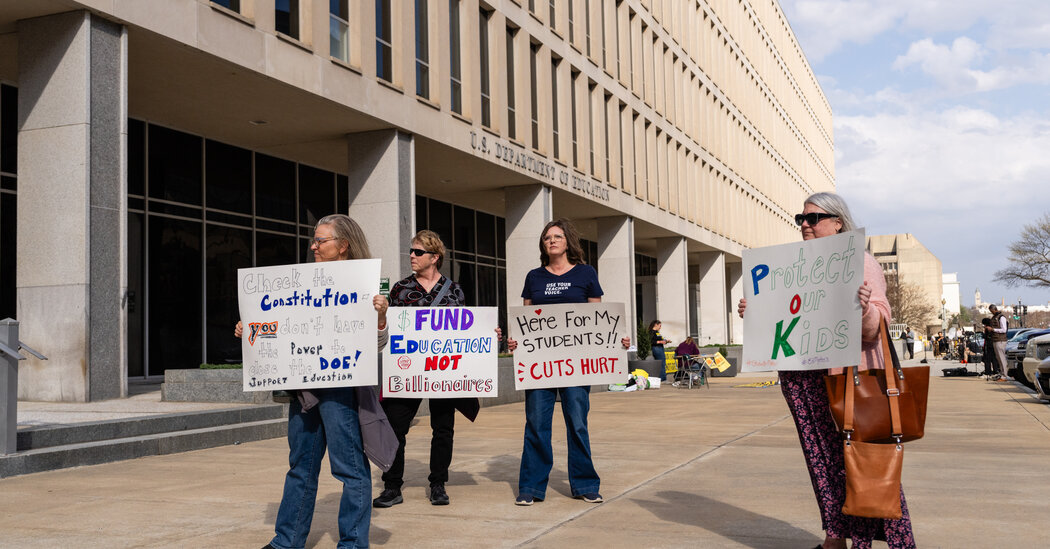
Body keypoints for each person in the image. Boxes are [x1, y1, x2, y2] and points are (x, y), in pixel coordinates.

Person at [738, 192, 916, 549]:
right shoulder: (791, 267)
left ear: (838, 222)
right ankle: (835, 536)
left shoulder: (860, 262)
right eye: (800, 218)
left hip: (846, 378)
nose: (805, 225)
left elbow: (877, 322)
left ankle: (891, 541)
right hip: (800, 377)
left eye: (813, 218)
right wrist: (755, 310)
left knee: (861, 458)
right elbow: (785, 317)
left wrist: (865, 309)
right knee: (820, 458)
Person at [236, 214, 390, 549]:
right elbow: (279, 329)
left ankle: (352, 543)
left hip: (341, 388)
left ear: (343, 246)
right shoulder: (300, 282)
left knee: (349, 469)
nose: (314, 246)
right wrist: (250, 329)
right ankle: (286, 541)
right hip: (304, 388)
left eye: (321, 240)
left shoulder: (363, 284)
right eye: (315, 240)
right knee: (300, 466)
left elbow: (377, 345)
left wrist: (380, 317)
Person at [506, 218, 630, 507]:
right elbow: (526, 322)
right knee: (536, 424)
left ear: (568, 241)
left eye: (557, 236)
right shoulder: (534, 277)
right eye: (547, 237)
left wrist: (617, 341)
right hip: (539, 366)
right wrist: (516, 341)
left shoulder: (586, 274)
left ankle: (585, 484)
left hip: (576, 365)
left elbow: (598, 322)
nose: (551, 241)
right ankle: (531, 487)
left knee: (577, 424)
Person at [372, 230, 480, 508]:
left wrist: (487, 333)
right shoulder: (399, 289)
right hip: (407, 371)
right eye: (411, 251)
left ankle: (438, 484)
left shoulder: (454, 290)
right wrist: (382, 315)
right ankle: (392, 486)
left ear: (435, 257)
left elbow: (464, 331)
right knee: (395, 427)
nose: (412, 256)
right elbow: (386, 330)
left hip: (443, 372)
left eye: (418, 252)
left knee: (443, 428)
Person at [985, 305, 1009, 380]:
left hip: (1000, 340)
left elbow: (1004, 330)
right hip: (995, 339)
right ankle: (1002, 374)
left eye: (991, 311)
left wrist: (992, 329)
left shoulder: (1001, 317)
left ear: (994, 309)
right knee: (999, 358)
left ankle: (1004, 375)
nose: (991, 312)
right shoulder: (995, 317)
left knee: (1002, 358)